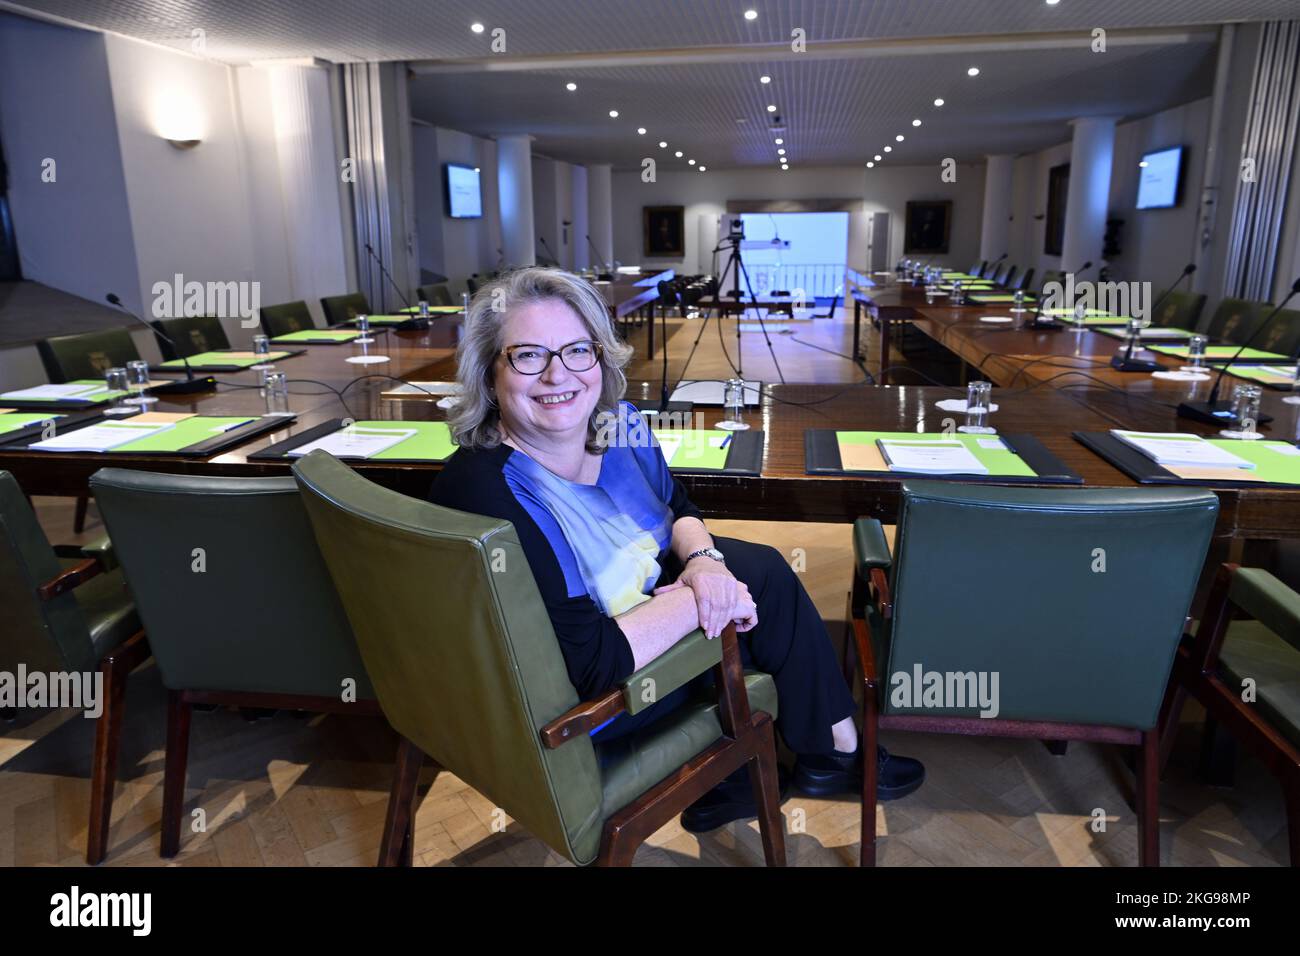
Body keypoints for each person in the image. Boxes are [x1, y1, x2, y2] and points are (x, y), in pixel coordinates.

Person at [429, 267, 923, 832]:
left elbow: (679, 508)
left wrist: (704, 563)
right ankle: (821, 756)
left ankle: (767, 770)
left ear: (601, 358)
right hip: (591, 699)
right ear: (489, 374)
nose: (556, 374)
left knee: (759, 572)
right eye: (527, 356)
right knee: (745, 603)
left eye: (576, 351)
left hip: (633, 610)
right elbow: (592, 665)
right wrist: (701, 597)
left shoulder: (619, 427)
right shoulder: (492, 489)